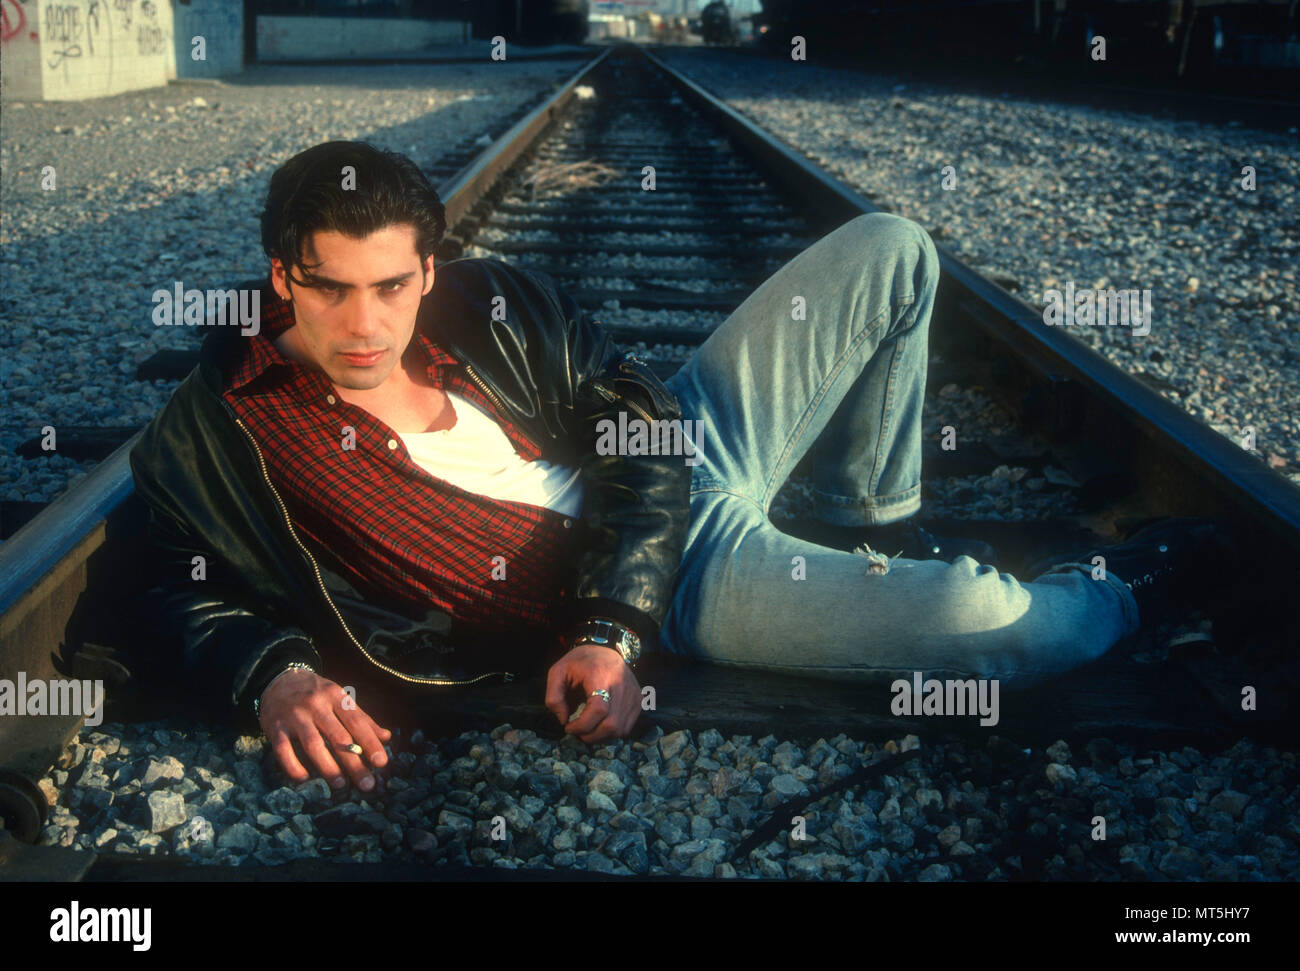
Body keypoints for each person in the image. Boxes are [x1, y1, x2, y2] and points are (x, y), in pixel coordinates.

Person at [130, 141, 1222, 793]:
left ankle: (863, 520)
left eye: (391, 286)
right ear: (283, 277)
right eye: (329, 289)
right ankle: (1126, 587)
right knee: (1004, 630)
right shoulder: (217, 427)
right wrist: (274, 669)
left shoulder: (486, 300)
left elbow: (639, 417)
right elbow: (164, 575)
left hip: (677, 462)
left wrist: (609, 622)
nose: (364, 325)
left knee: (892, 245)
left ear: (429, 266)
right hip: (697, 579)